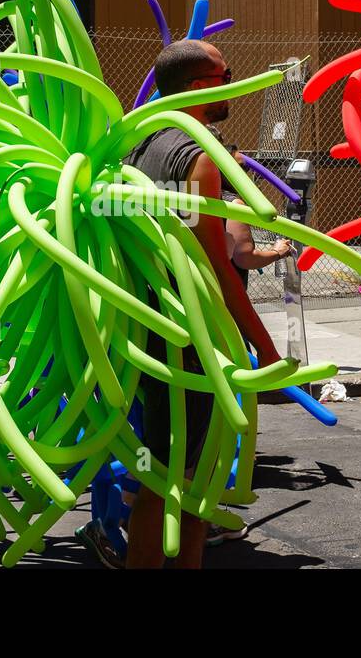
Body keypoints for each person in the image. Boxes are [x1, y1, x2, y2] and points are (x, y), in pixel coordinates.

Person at [122, 39, 282, 569]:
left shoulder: (138, 146)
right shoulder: (198, 160)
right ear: (199, 87)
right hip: (191, 340)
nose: (233, 81)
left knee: (186, 477)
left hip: (144, 328)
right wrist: (264, 346)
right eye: (226, 73)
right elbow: (218, 267)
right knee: (177, 480)